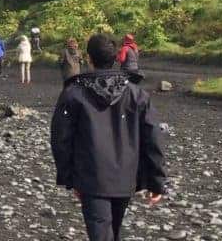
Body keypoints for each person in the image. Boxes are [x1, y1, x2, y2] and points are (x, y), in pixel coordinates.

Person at [50, 34, 167, 241]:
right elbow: (152, 138)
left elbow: (61, 139)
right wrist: (155, 181)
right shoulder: (136, 94)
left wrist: (70, 178)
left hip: (91, 177)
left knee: (103, 233)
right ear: (115, 58)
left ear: (89, 58)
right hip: (124, 176)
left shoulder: (74, 93)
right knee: (111, 231)